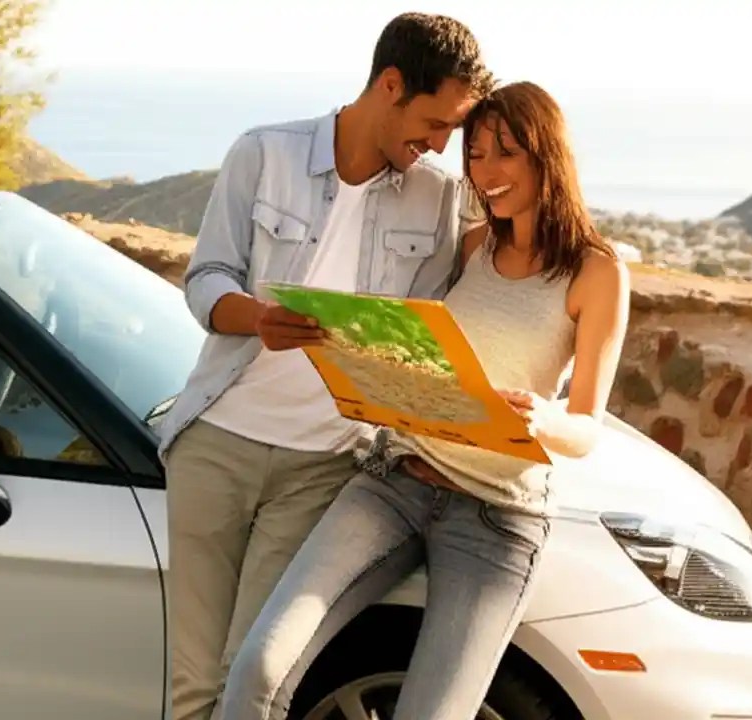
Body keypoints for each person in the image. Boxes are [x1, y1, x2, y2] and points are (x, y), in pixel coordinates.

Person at [211, 80, 632, 720]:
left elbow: (587, 429)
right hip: (395, 482)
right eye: (476, 155)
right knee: (259, 669)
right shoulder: (473, 246)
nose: (486, 172)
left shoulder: (597, 272)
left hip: (498, 519)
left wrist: (545, 418)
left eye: (506, 153)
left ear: (547, 155)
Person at [154, 13, 495, 720]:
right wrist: (257, 318)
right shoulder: (263, 153)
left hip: (322, 465)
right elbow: (206, 277)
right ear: (391, 85)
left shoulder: (439, 198)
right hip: (215, 446)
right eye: (435, 123)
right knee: (193, 685)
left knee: (248, 676)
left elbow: (434, 329)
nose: (441, 145)